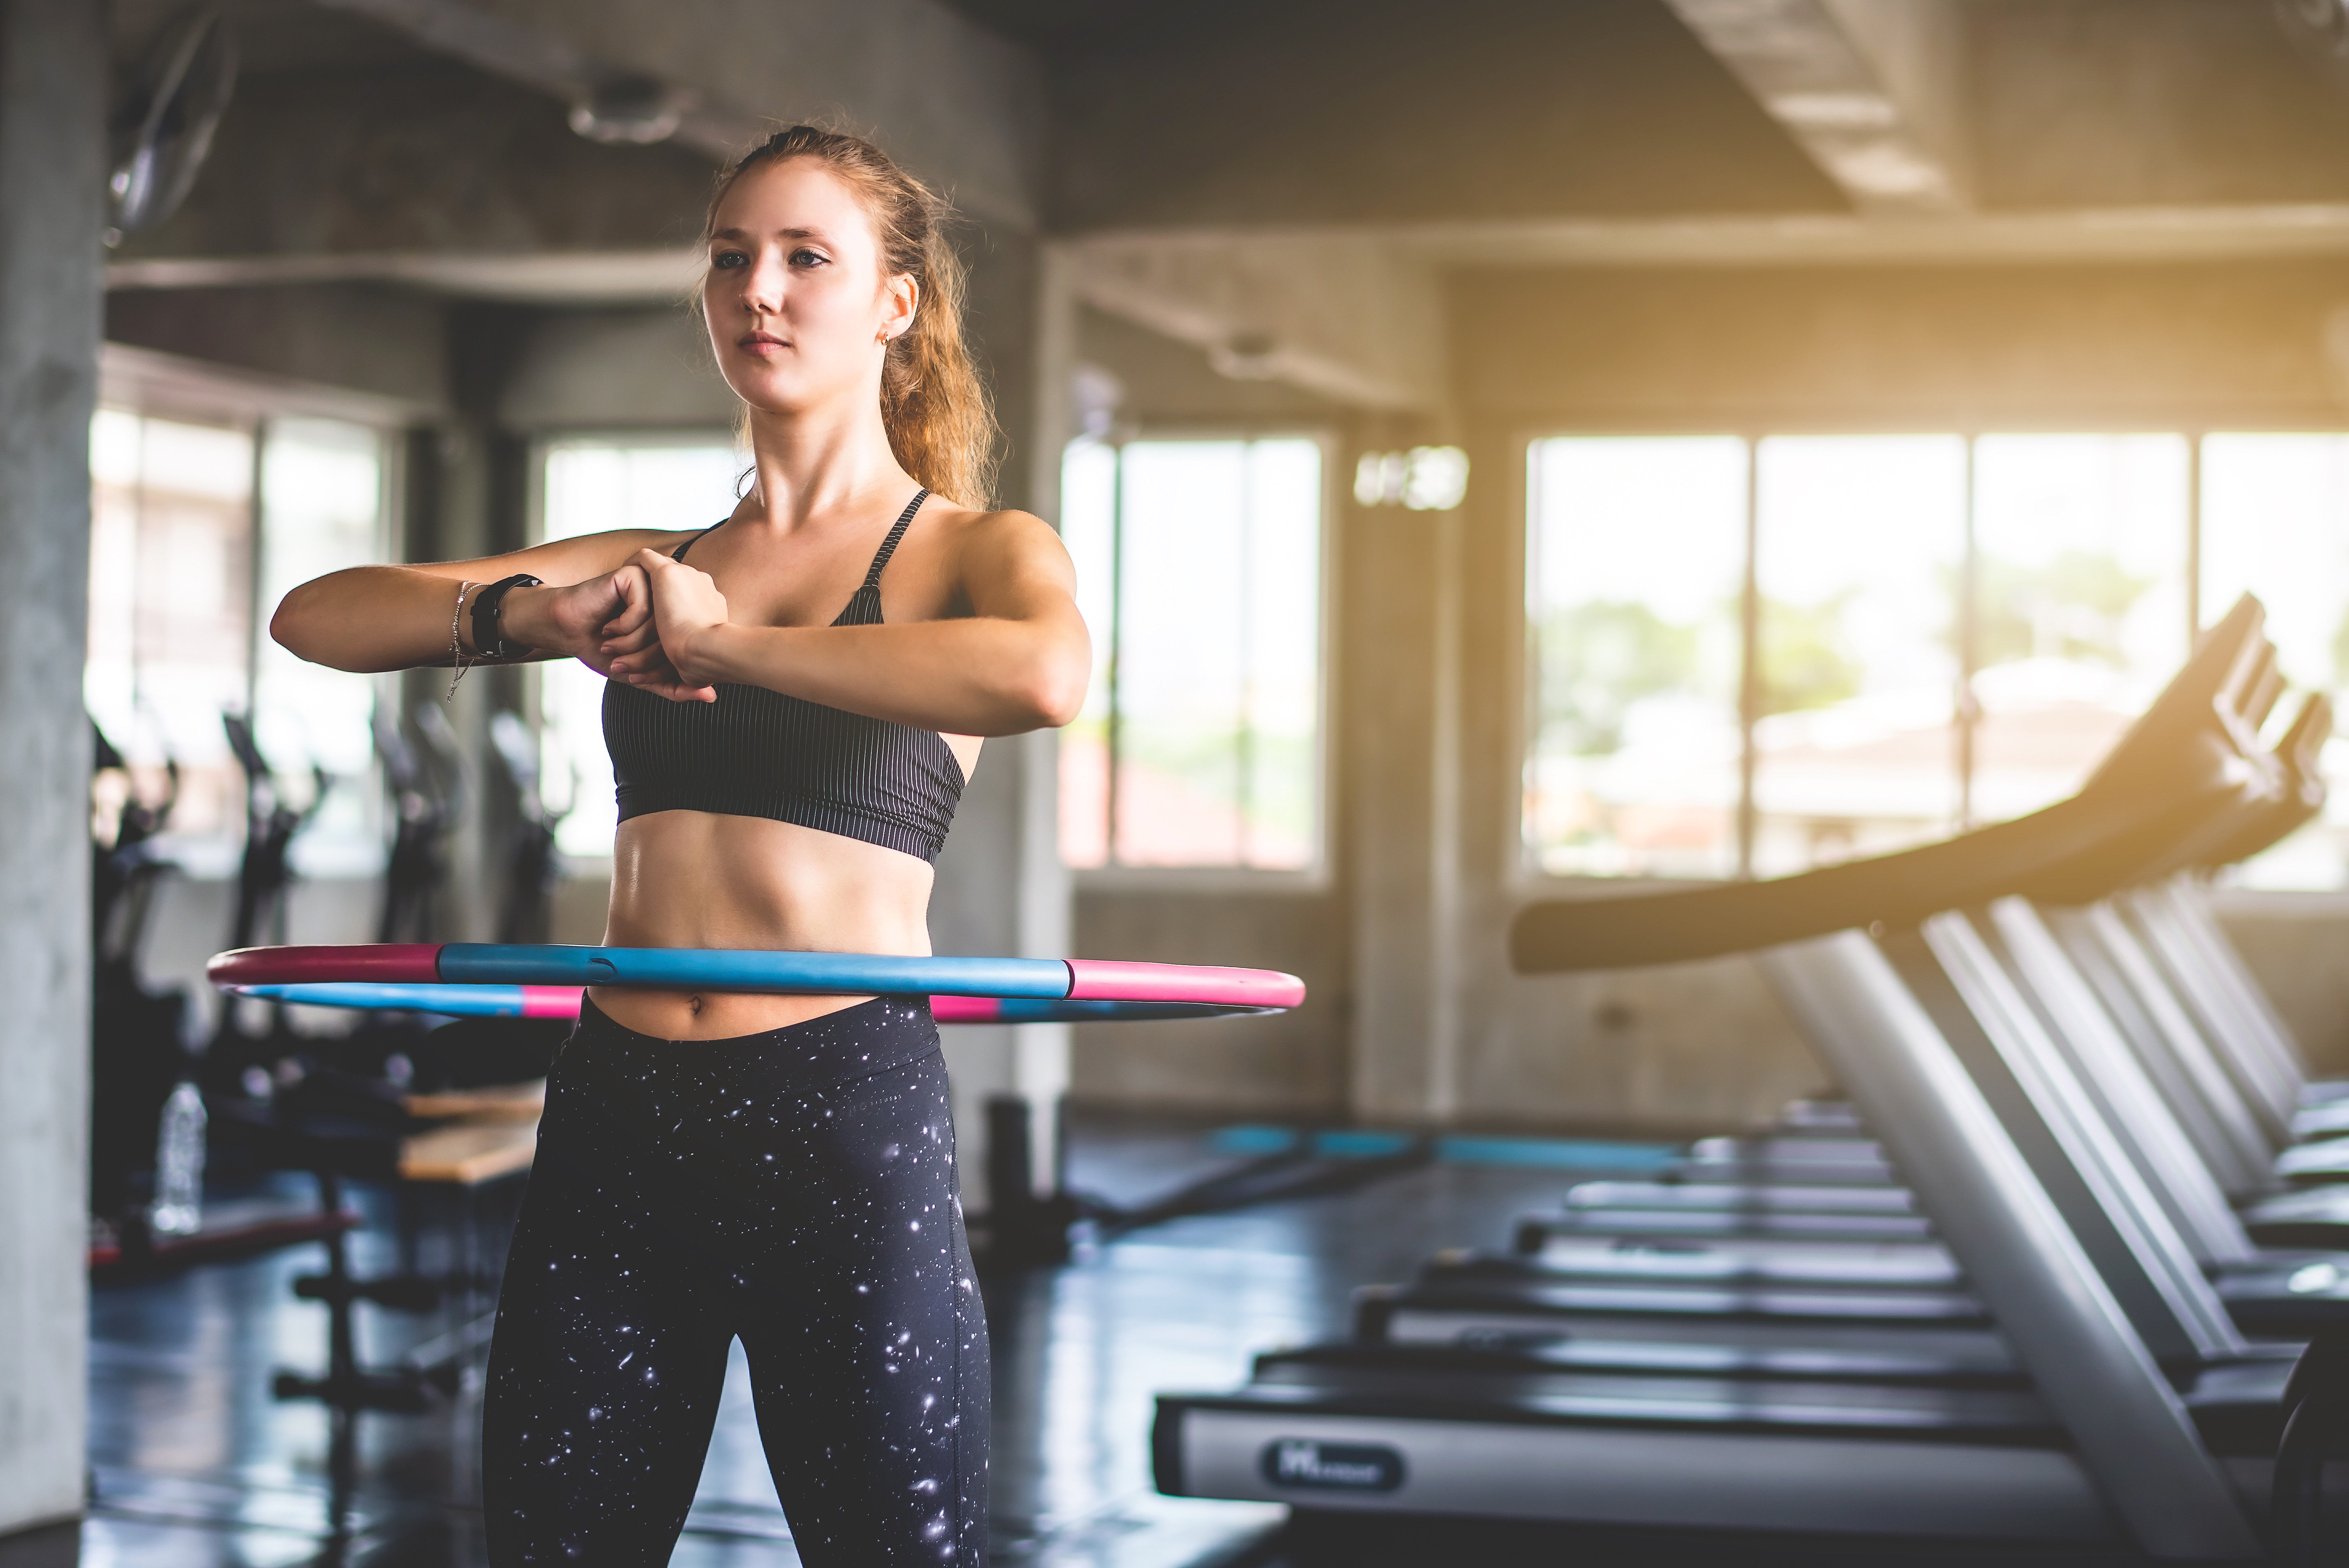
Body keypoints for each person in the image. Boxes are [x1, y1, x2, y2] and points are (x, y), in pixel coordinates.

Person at [269, 124, 1089, 1565]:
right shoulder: (662, 562)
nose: (758, 289)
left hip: (841, 1110)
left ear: (896, 303)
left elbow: (1041, 678)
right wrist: (527, 616)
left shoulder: (972, 550)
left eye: (806, 257)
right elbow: (315, 617)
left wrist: (743, 649)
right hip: (619, 1112)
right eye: (730, 257)